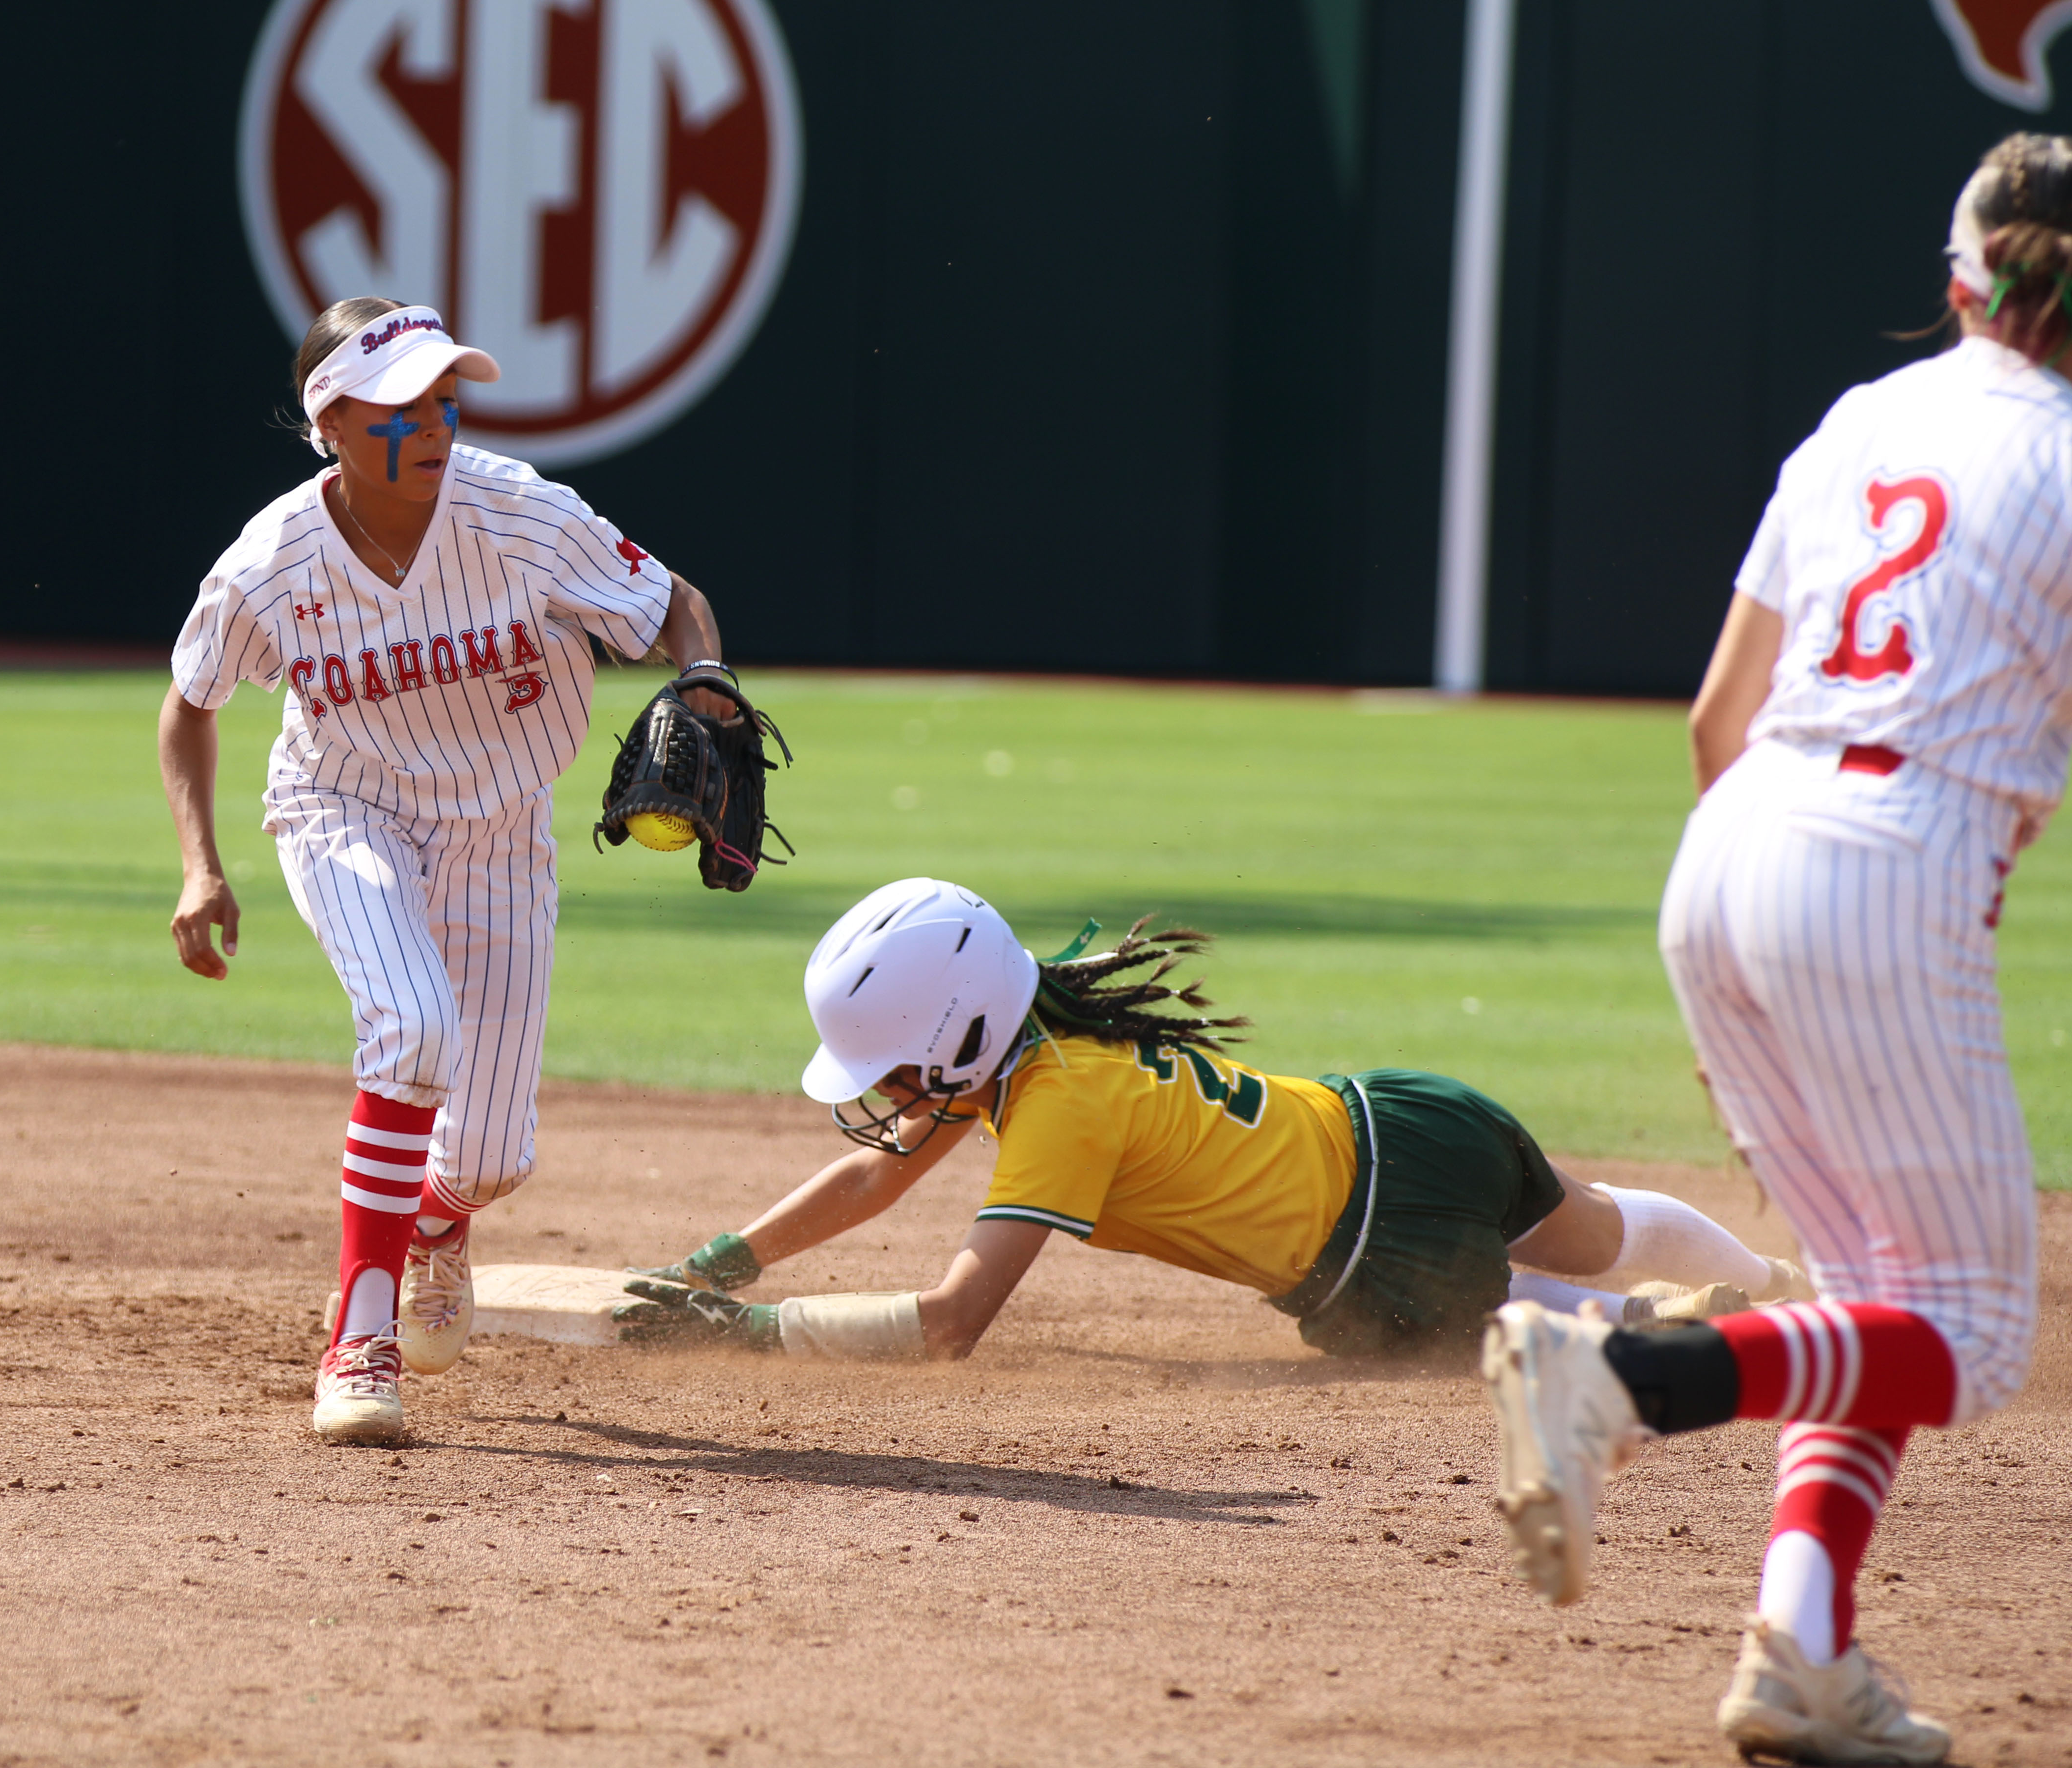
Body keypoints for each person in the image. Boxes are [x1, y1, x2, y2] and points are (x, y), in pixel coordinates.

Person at [1478, 136, 2071, 1766]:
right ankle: (1625, 1370)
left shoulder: (1862, 425)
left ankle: (1802, 1650)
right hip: (1879, 869)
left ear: (1958, 281)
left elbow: (1715, 722)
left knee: (1881, 1299)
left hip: (1733, 856)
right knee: (1971, 1338)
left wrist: (1767, 970)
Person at [158, 298, 733, 1444]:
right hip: (344, 807)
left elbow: (675, 603)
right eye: (401, 406)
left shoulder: (518, 511)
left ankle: (435, 1225)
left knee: (489, 1157)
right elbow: (190, 709)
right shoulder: (272, 562)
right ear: (332, 421)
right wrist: (199, 868)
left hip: (503, 826)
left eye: (443, 398)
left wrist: (705, 678)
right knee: (412, 1029)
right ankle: (357, 1343)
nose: (435, 424)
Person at [620, 878, 1805, 1366]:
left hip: (1375, 1257)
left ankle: (1742, 1332)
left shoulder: (1060, 1112)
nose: (883, 1098)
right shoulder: (1047, 1051)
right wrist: (725, 1259)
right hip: (1404, 1121)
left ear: (961, 1035)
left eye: (895, 1069)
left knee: (1556, 1337)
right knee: (1598, 1231)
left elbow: (949, 1322)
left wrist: (749, 1326)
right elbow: (875, 1184)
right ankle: (1782, 1281)